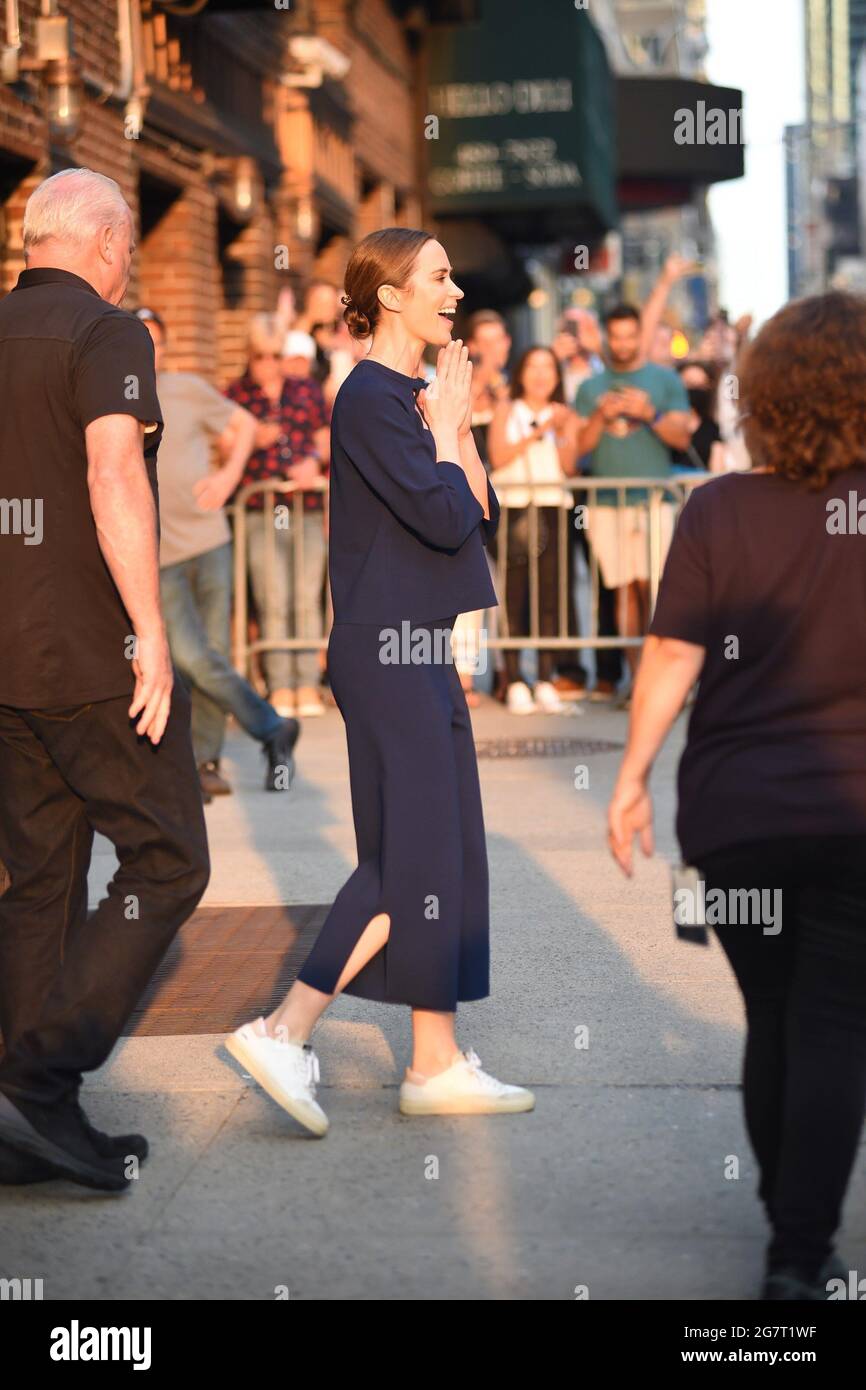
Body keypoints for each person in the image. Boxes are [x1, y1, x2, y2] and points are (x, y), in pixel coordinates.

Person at [222, 228, 533, 1132]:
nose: (454, 291)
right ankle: (286, 1028)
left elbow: (480, 511)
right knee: (409, 859)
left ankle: (435, 1062)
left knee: (448, 854)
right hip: (383, 645)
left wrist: (461, 430)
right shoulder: (367, 396)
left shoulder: (420, 395)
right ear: (389, 295)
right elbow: (447, 518)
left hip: (421, 645)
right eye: (438, 276)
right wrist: (451, 433)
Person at [607, 290, 866, 1301]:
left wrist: (627, 780)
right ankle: (797, 1255)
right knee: (834, 1018)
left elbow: (669, 657)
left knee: (775, 1015)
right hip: (852, 813)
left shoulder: (715, 508)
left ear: (760, 396)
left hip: (732, 818)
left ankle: (785, 1223)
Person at [0, 168, 210, 1191]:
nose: (125, 258)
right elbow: (113, 472)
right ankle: (38, 1075)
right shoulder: (107, 331)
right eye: (123, 241)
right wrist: (149, 631)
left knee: (42, 879)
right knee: (168, 859)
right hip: (89, 655)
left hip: (4, 663)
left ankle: (31, 1122)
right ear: (101, 241)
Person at [137, 308, 301, 796]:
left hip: (209, 541)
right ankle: (272, 726)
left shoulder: (186, 388)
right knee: (190, 656)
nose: (152, 353)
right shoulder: (114, 394)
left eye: (157, 343)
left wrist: (228, 478)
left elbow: (246, 425)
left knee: (211, 650)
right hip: (158, 551)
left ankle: (204, 763)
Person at [575, 303, 694, 681]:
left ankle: (665, 677)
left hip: (655, 501)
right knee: (625, 591)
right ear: (607, 337)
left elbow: (682, 435)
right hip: (607, 504)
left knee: (658, 590)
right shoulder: (590, 387)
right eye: (616, 336)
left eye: (630, 335)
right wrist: (600, 415)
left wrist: (649, 415)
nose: (623, 343)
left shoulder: (665, 381)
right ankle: (638, 677)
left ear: (639, 336)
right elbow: (577, 450)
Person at [226, 315, 329, 718]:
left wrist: (312, 466)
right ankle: (280, 685)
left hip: (304, 506)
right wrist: (251, 438)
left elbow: (324, 442)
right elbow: (222, 448)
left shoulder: (306, 389)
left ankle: (307, 683)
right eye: (261, 356)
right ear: (249, 357)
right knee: (272, 599)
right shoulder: (234, 395)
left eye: (275, 355)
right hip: (260, 508)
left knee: (306, 597)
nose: (269, 363)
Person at [487, 346, 583, 713]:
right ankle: (513, 678)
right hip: (513, 507)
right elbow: (499, 456)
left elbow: (570, 465)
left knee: (551, 595)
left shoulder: (565, 415)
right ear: (521, 373)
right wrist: (540, 429)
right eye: (533, 367)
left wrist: (560, 432)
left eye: (548, 368)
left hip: (553, 507)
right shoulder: (507, 411)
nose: (541, 375)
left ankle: (545, 676)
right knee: (514, 595)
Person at [671, 359, 724, 472]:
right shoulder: (663, 422)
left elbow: (717, 471)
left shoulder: (711, 428)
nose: (695, 391)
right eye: (689, 384)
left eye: (701, 386)